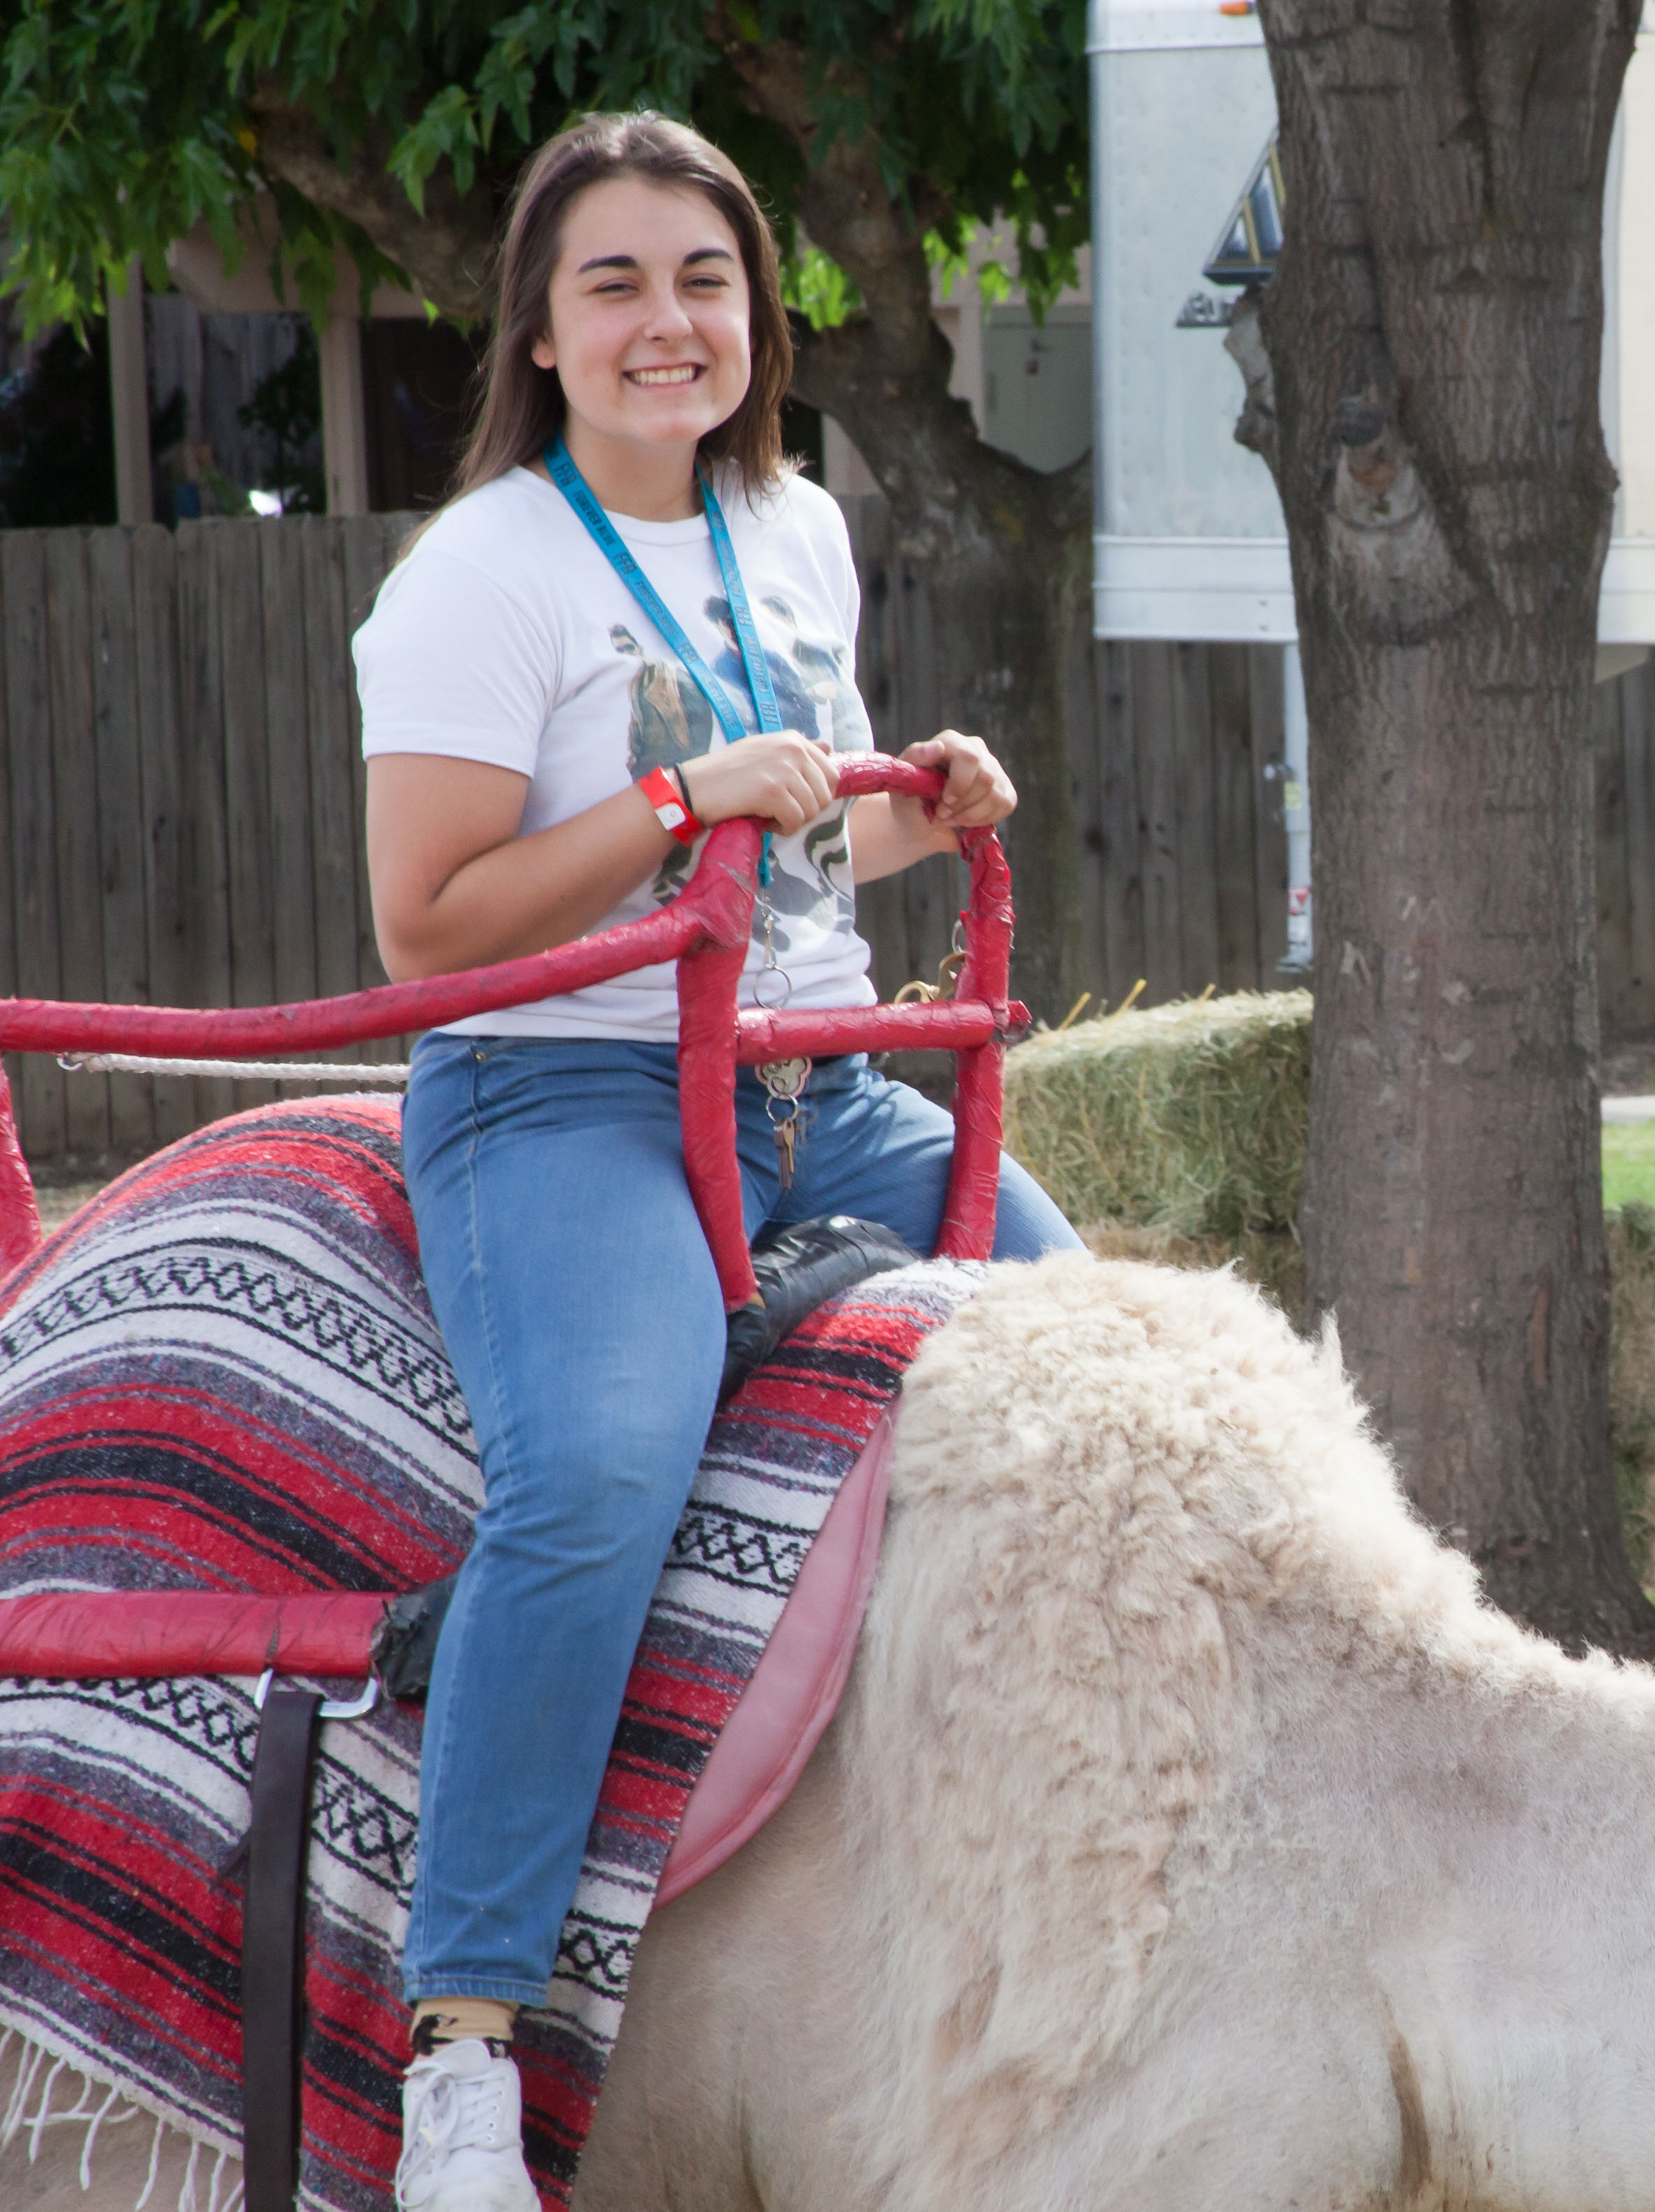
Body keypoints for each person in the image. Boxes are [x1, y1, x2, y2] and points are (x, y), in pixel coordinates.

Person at [353, 111, 1083, 2212]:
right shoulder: (481, 566)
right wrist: (678, 802)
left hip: (815, 1078)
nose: (671, 320)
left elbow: (791, 856)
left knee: (1104, 1363)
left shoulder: (794, 528)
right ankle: (466, 2051)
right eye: (617, 283)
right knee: (594, 1473)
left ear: (759, 314)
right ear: (546, 330)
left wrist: (914, 815)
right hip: (568, 1092)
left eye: (705, 279)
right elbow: (430, 923)